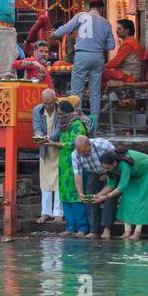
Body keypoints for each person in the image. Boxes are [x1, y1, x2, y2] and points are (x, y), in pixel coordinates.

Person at [53, 0, 115, 127]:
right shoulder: (106, 23)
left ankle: (77, 123)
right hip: (98, 56)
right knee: (95, 93)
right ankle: (93, 125)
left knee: (77, 92)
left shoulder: (81, 16)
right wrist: (98, 43)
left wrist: (54, 34)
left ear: (89, 7)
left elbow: (64, 29)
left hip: (81, 55)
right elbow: (111, 45)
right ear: (101, 9)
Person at [94, 146, 148, 239]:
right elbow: (110, 185)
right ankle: (127, 231)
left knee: (140, 200)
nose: (105, 170)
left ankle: (137, 232)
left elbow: (122, 185)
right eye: (104, 168)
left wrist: (106, 197)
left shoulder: (124, 164)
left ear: (114, 163)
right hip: (133, 175)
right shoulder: (111, 167)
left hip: (146, 170)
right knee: (126, 199)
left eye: (107, 168)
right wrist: (96, 196)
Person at [69, 134, 117, 239]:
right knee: (90, 196)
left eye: (85, 151)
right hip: (93, 173)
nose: (82, 154)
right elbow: (78, 175)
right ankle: (94, 230)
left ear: (89, 145)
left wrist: (107, 173)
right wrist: (80, 193)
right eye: (80, 152)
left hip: (109, 171)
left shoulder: (102, 145)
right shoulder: (75, 155)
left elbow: (115, 158)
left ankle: (106, 229)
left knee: (109, 197)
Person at [56, 100, 91, 235]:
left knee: (77, 194)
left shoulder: (77, 124)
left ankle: (82, 227)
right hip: (63, 165)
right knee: (65, 195)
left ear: (67, 112)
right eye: (58, 114)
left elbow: (74, 143)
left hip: (75, 162)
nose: (59, 116)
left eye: (61, 114)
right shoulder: (63, 125)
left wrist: (57, 144)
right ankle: (70, 227)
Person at [31, 89, 64, 225]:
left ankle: (58, 213)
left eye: (50, 103)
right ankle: (45, 212)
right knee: (45, 182)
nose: (48, 106)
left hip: (57, 148)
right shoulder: (37, 110)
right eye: (45, 103)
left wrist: (49, 138)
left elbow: (59, 129)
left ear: (55, 101)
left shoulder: (60, 110)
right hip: (45, 150)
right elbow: (36, 127)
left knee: (58, 182)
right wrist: (40, 137)